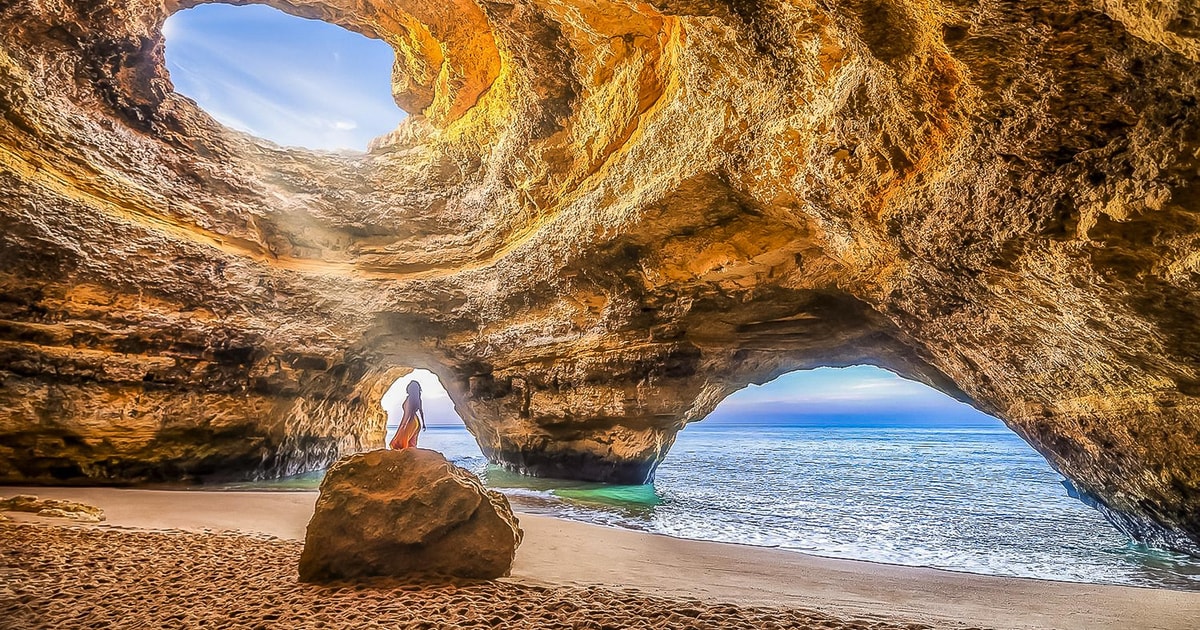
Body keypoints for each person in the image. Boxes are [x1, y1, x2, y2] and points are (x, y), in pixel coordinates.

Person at [388, 380, 426, 450]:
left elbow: (407, 413)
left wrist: (403, 424)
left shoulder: (409, 399)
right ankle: (412, 457)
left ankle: (402, 457)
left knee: (402, 441)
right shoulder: (418, 399)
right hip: (416, 421)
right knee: (411, 442)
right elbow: (421, 411)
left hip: (410, 420)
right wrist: (423, 424)